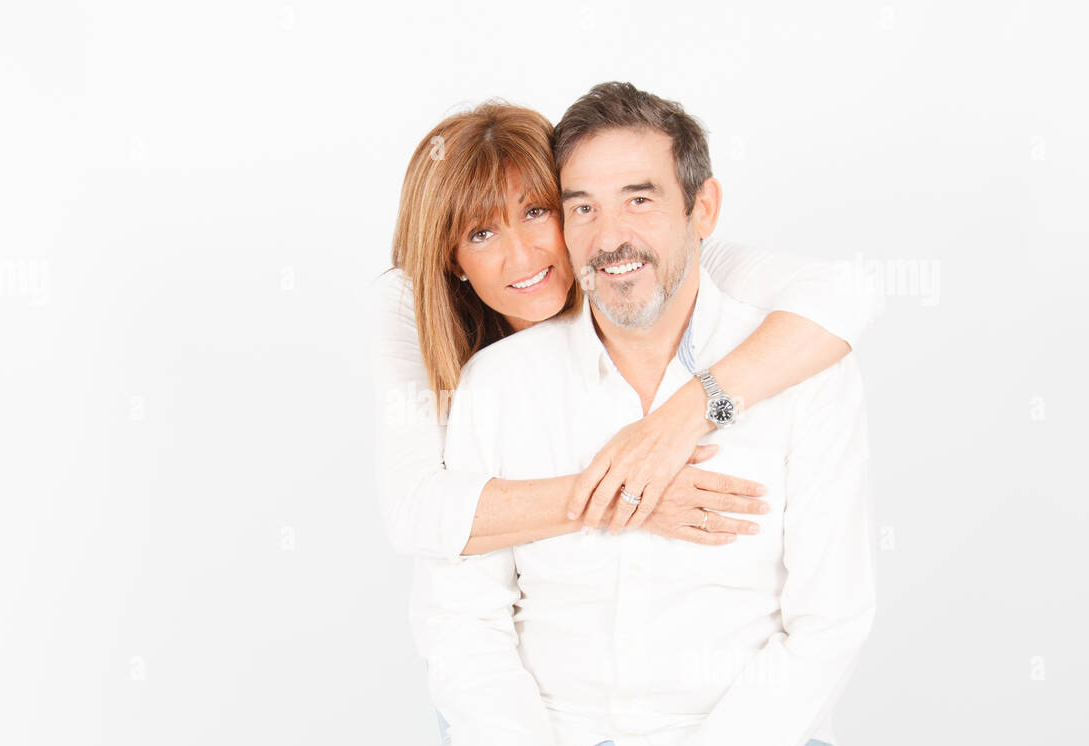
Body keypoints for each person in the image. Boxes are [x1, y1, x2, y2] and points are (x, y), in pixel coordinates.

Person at [387, 82, 892, 746]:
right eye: (582, 206)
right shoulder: (495, 384)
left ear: (703, 211)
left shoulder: (804, 371)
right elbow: (464, 616)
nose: (609, 235)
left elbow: (827, 623)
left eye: (640, 199)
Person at [374, 101, 882, 565]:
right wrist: (633, 492)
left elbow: (845, 293)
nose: (523, 255)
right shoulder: (411, 306)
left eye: (536, 212)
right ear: (450, 258)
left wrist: (681, 419)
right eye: (481, 233)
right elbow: (416, 512)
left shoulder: (636, 260)